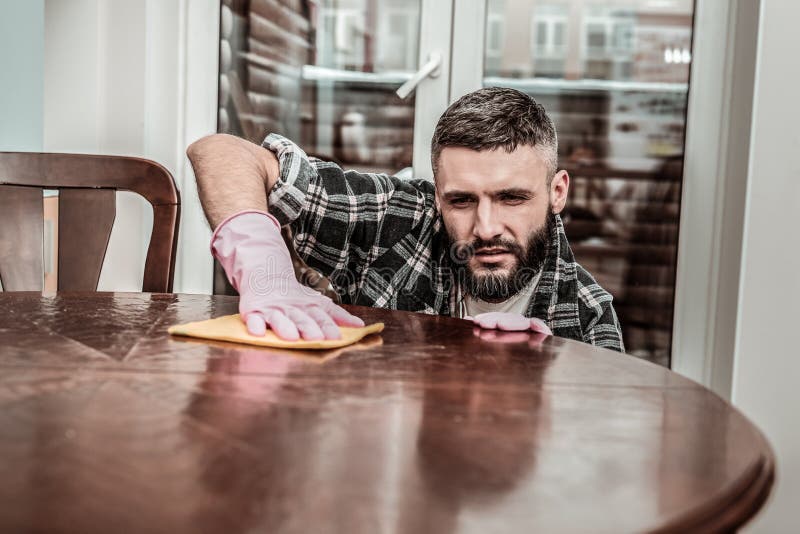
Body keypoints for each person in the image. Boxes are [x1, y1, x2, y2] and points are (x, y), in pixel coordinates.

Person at [187, 87, 624, 351]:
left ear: (557, 192)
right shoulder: (398, 218)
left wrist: (546, 369)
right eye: (461, 201)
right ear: (436, 196)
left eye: (512, 198)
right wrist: (267, 273)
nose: (486, 227)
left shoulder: (586, 316)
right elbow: (220, 152)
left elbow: (596, 463)